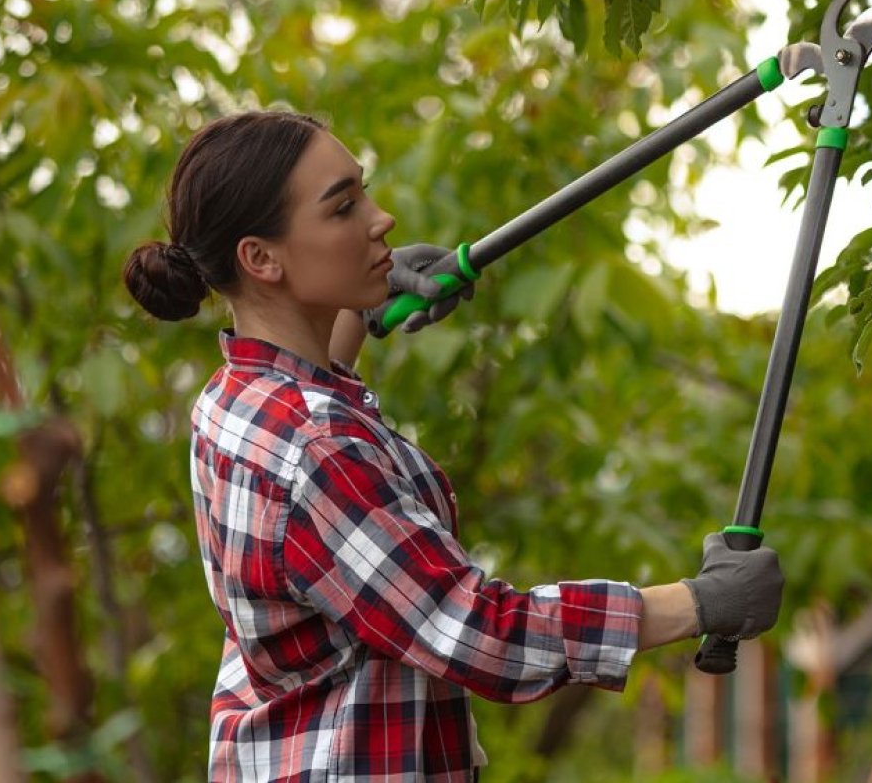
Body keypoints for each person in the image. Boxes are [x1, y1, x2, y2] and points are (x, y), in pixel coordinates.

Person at [122, 110, 785, 782]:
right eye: (344, 207)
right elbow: (478, 632)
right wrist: (700, 603)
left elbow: (315, 449)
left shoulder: (234, 400)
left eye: (363, 192)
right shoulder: (316, 449)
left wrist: (362, 311)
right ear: (261, 258)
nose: (381, 219)